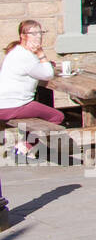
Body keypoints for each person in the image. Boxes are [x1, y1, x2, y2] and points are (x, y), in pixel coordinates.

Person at [0, 20, 65, 159]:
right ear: (23, 36)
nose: (38, 37)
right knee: (57, 116)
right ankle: (24, 147)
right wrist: (41, 54)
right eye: (33, 33)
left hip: (7, 103)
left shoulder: (17, 52)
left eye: (40, 32)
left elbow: (39, 70)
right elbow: (48, 74)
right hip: (13, 105)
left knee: (39, 109)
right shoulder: (25, 56)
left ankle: (27, 144)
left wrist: (42, 62)